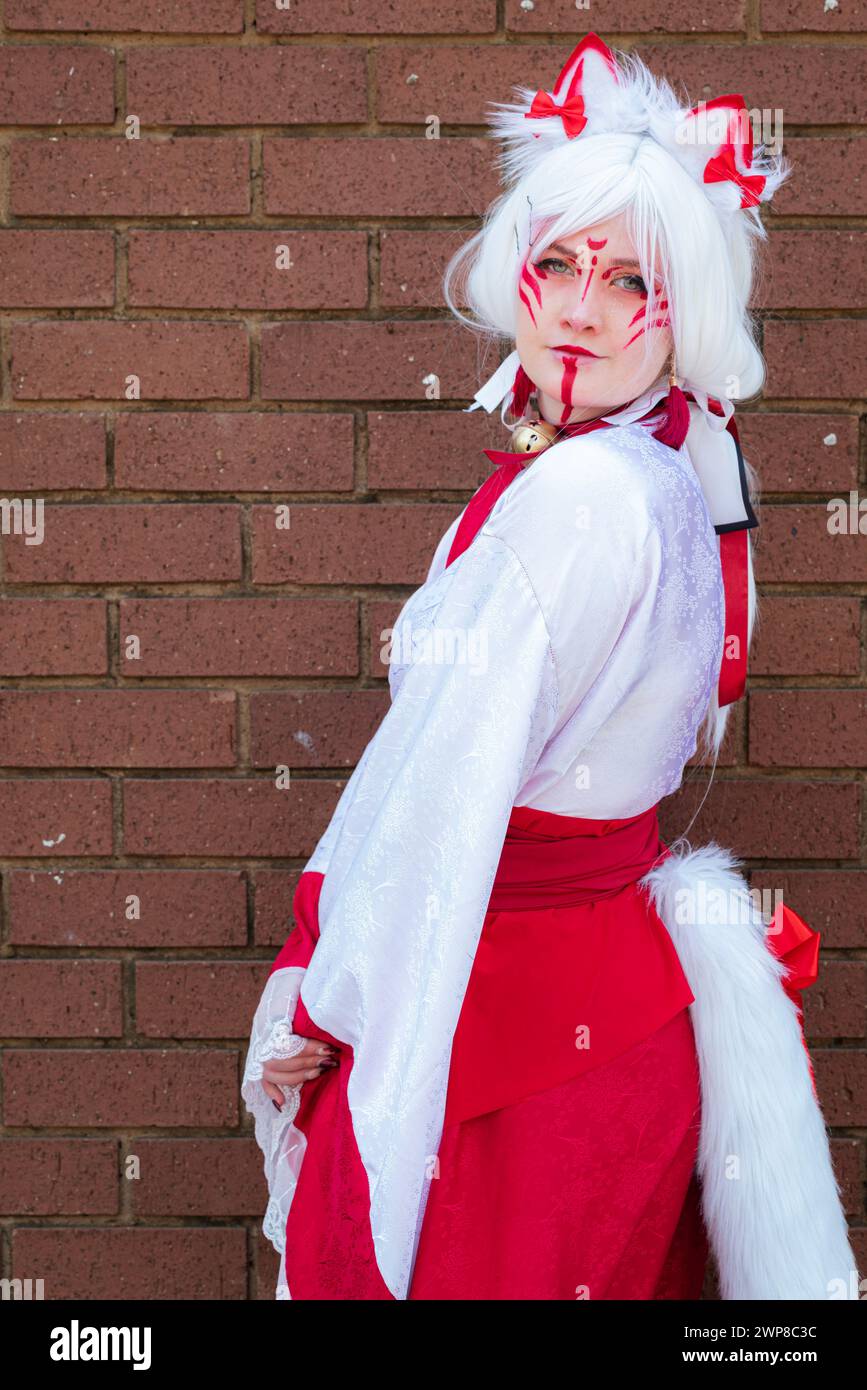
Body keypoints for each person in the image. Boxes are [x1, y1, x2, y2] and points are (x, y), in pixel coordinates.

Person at [242, 32, 859, 1301]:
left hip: (513, 1047)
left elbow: (436, 790)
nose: (579, 308)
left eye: (630, 282)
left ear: (681, 313)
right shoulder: (669, 464)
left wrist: (320, 986)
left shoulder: (583, 495)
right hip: (600, 1025)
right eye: (560, 263)